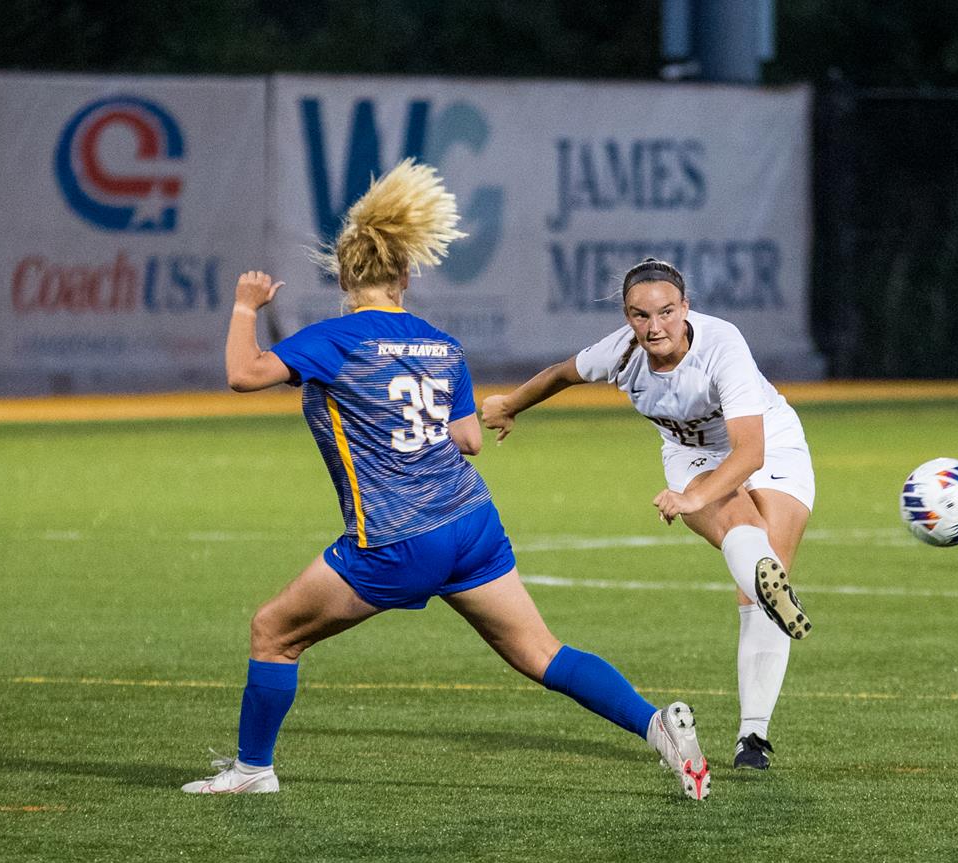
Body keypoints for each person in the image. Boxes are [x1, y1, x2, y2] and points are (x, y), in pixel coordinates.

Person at [183, 161, 709, 800]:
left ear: (346, 277)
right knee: (541, 653)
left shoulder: (335, 339)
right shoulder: (442, 344)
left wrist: (245, 307)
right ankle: (657, 726)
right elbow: (468, 441)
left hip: (400, 534)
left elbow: (243, 373)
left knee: (274, 631)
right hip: (470, 523)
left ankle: (252, 771)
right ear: (405, 276)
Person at [480, 258, 812, 773]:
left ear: (685, 308)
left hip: (771, 441)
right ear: (627, 316)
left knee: (763, 576)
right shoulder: (622, 351)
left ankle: (753, 736)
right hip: (691, 454)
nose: (654, 327)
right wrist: (511, 404)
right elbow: (562, 374)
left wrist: (693, 501)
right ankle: (755, 723)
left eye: (666, 312)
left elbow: (750, 453)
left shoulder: (723, 347)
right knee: (752, 553)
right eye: (639, 316)